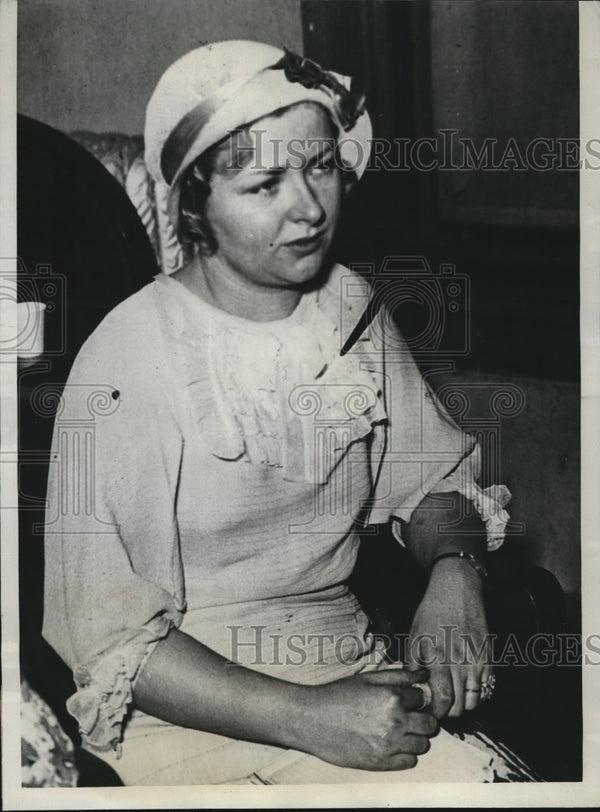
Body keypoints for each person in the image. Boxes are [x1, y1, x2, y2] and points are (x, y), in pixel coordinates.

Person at [42, 40, 533, 785]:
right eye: (265, 183)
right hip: (187, 719)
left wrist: (455, 574)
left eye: (321, 166)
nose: (308, 209)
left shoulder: (348, 307)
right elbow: (110, 643)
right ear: (196, 204)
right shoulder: (129, 355)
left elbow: (432, 479)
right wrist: (311, 717)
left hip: (355, 682)